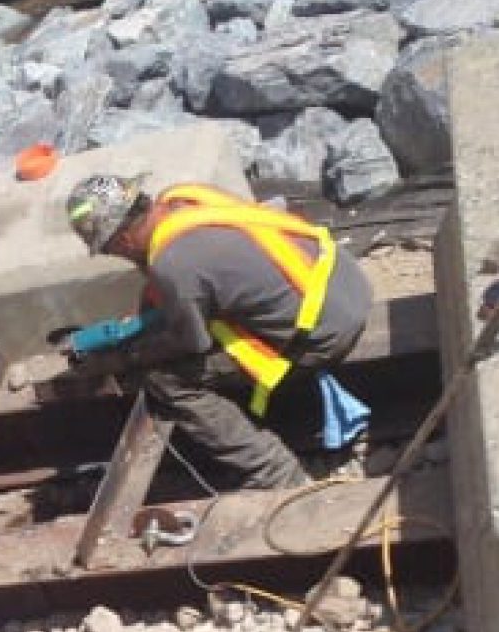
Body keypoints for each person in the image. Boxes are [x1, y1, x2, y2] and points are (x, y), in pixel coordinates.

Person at [59, 175, 374, 491]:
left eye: (110, 250)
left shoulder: (173, 264)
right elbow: (203, 275)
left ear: (123, 240)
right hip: (342, 284)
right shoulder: (186, 196)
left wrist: (128, 355)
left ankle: (277, 474)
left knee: (168, 379)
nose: (117, 257)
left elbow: (192, 344)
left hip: (323, 333)